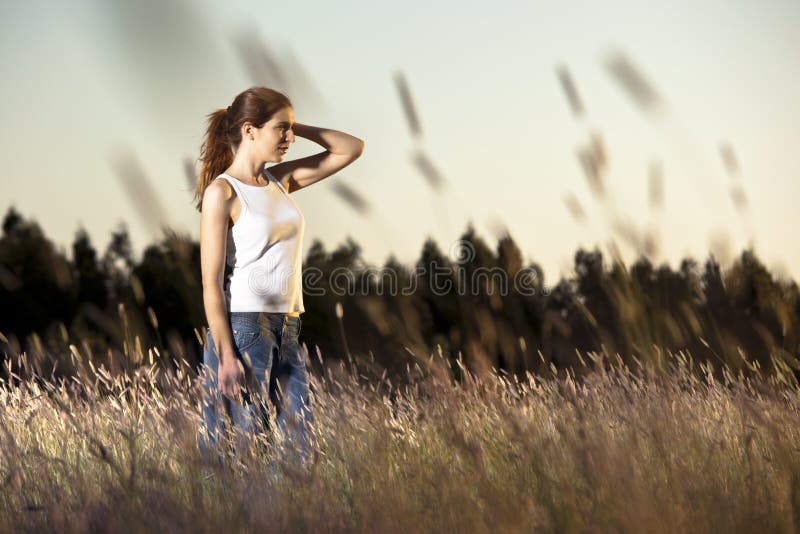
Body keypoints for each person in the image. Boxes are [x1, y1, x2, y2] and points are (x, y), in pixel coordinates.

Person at [193, 86, 364, 465]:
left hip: (287, 329)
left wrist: (293, 123)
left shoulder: (279, 181)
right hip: (244, 329)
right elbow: (210, 283)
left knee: (297, 452)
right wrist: (225, 354)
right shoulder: (222, 193)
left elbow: (350, 148)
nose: (288, 139)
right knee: (245, 450)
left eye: (289, 129)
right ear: (249, 130)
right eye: (280, 129)